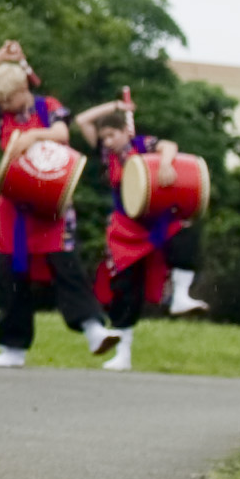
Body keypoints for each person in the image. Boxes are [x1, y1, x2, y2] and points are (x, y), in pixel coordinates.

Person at [0, 43, 113, 368]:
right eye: (1, 101)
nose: (5, 105)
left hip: (51, 201)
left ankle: (93, 329)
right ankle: (12, 347)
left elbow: (61, 132)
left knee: (66, 265)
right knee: (12, 273)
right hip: (13, 206)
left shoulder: (47, 107)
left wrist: (32, 137)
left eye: (10, 99)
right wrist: (0, 57)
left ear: (24, 89)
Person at [81, 92, 205, 373]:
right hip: (124, 227)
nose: (107, 141)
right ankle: (122, 353)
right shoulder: (107, 155)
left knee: (185, 235)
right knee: (126, 288)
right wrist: (116, 105)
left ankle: (180, 295)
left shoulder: (142, 144)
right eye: (104, 137)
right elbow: (83, 120)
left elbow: (169, 145)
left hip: (153, 220)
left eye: (112, 135)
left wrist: (164, 163)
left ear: (126, 131)